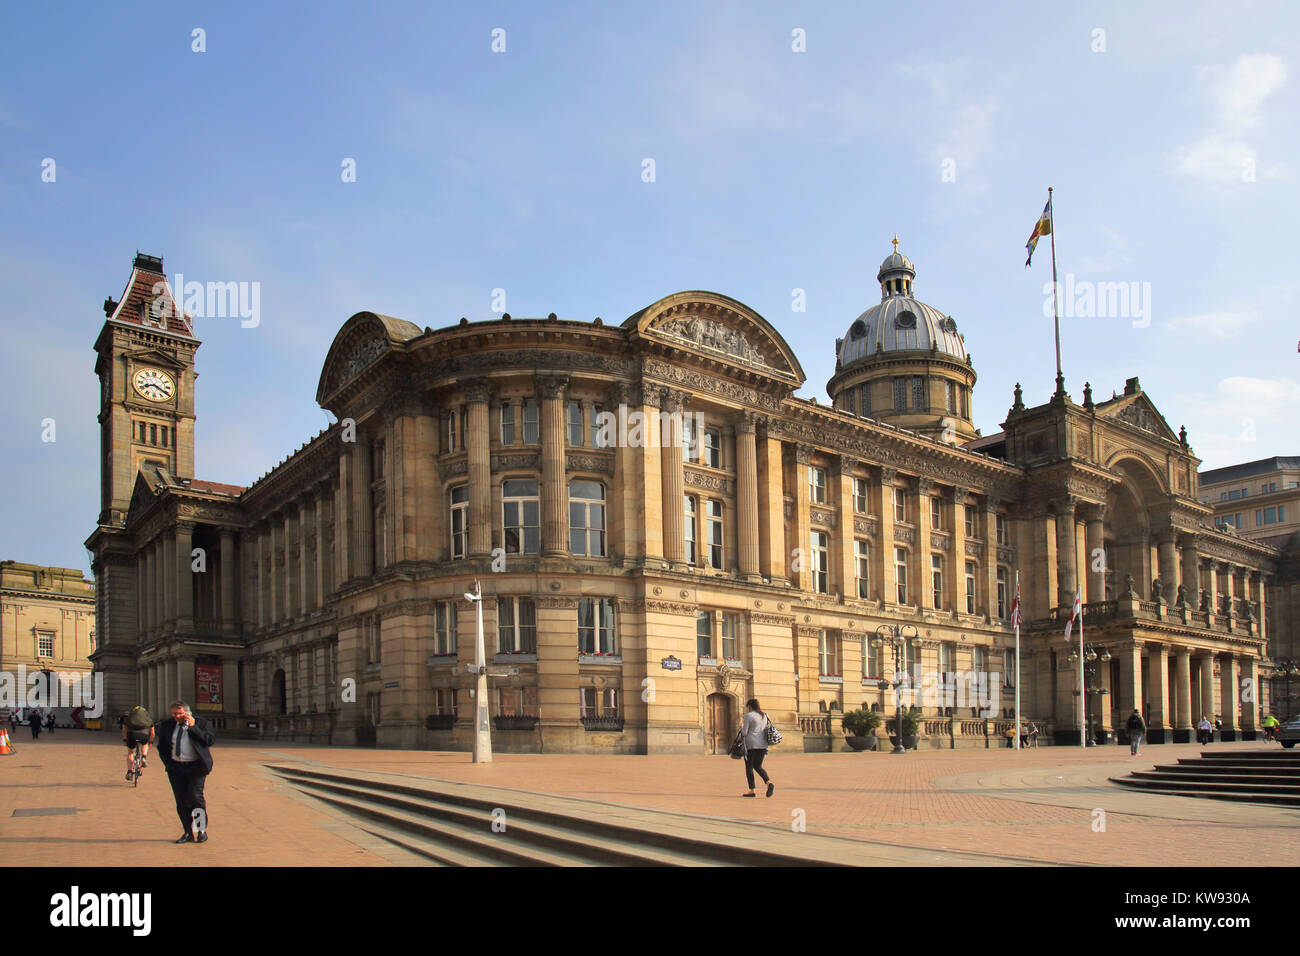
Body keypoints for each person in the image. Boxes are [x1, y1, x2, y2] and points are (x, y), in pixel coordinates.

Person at [154, 700, 215, 843]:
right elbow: (162, 747)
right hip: (176, 768)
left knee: (195, 798)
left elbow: (209, 740)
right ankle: (188, 832)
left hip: (196, 768)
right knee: (181, 801)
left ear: (187, 713)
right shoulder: (167, 725)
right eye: (174, 714)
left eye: (179, 714)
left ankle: (201, 830)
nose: (176, 716)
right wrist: (169, 764)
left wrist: (193, 727)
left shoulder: (202, 723)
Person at [739, 698, 774, 798]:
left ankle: (752, 790)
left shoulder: (748, 716)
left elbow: (744, 732)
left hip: (751, 745)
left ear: (749, 707)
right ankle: (769, 783)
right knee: (758, 766)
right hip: (763, 745)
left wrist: (740, 727)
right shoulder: (765, 715)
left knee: (749, 767)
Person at [122, 705, 156, 780]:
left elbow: (124, 730)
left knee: (131, 753)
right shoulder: (148, 719)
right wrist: (151, 741)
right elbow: (153, 733)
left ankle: (130, 771)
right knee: (144, 744)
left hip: (132, 735)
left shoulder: (129, 718)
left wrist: (125, 740)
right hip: (144, 735)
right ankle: (143, 757)